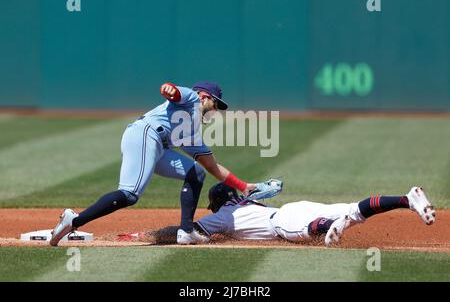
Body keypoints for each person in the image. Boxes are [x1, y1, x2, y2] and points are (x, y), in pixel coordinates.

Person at [50, 81, 273, 246]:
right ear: (205, 97)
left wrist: (243, 186)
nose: (215, 110)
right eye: (216, 104)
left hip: (158, 145)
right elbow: (174, 92)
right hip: (145, 135)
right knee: (129, 194)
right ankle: (74, 220)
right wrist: (170, 91)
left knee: (196, 172)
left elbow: (213, 166)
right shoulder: (192, 98)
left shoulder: (190, 132)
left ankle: (186, 231)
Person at [193, 183, 436, 245]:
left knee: (310, 229)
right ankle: (407, 199)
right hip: (297, 206)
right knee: (353, 209)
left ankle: (332, 226)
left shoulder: (224, 215)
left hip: (282, 222)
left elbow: (193, 232)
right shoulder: (248, 202)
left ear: (216, 203)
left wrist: (162, 234)